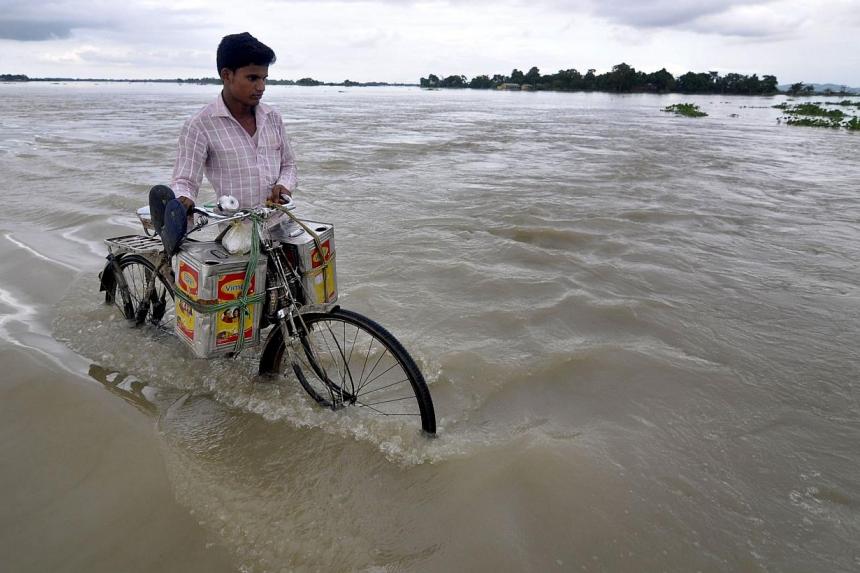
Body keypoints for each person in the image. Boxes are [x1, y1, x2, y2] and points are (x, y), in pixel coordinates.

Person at [168, 32, 297, 213]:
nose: (261, 87)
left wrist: (284, 185)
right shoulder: (200, 125)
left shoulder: (273, 117)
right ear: (227, 75)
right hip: (233, 230)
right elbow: (184, 181)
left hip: (279, 222)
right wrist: (183, 199)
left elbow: (289, 165)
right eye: (252, 78)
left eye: (264, 78)